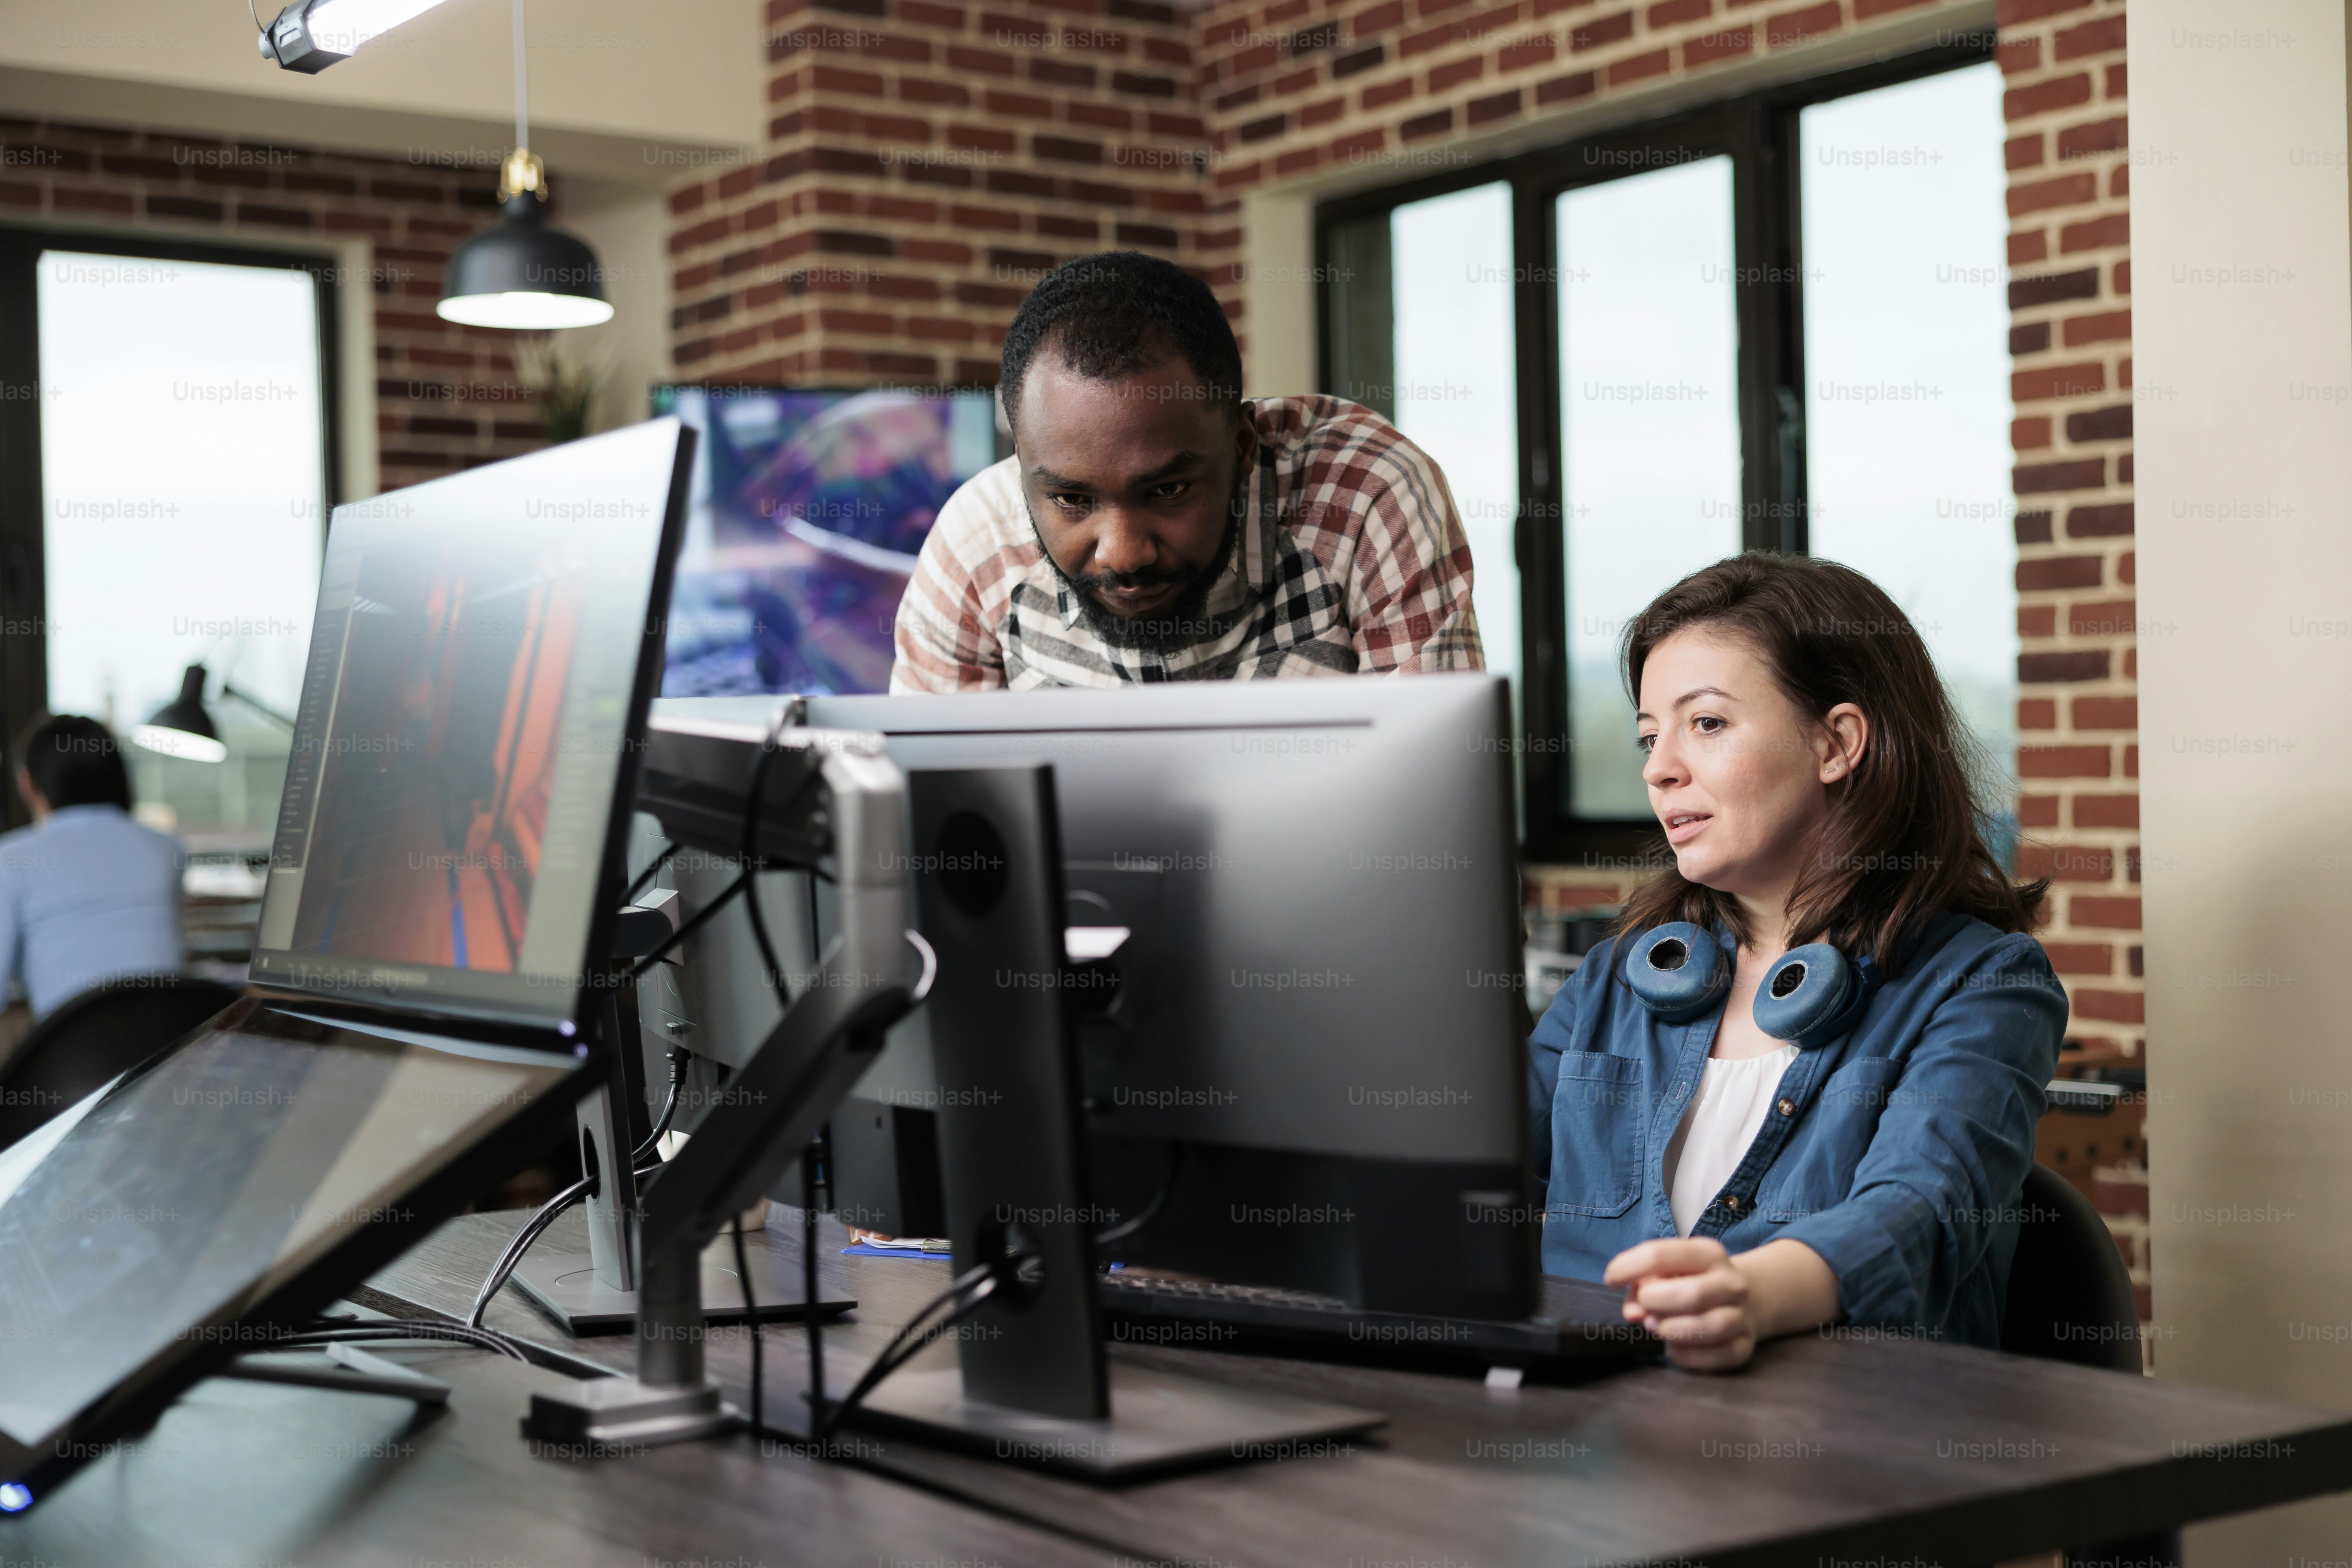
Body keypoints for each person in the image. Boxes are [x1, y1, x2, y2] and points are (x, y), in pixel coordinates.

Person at [1528, 553, 2064, 1371]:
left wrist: (1750, 1295)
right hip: (1595, 1426)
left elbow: (1921, 1208)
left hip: (1848, 1429)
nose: (1658, 768)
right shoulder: (1613, 978)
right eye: (1649, 736)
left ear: (1836, 743)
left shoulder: (1986, 983)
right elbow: (1472, 1174)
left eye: (1707, 724)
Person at [892, 250, 1483, 689]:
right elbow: (931, 810)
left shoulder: (1365, 498)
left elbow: (1437, 799)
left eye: (1168, 489)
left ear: (1244, 445)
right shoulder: (976, 545)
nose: (1124, 555)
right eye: (1072, 499)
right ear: (1021, 469)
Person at [0, 715, 184, 1019]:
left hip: (72, 1046)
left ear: (28, 784)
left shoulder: (11, 860)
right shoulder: (166, 849)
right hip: (173, 1041)